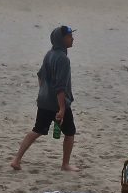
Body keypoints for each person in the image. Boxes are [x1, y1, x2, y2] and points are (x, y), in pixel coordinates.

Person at [10, 25, 79, 171]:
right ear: (61, 40)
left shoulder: (49, 54)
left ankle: (16, 159)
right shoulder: (63, 59)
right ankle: (65, 164)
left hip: (44, 102)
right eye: (69, 36)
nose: (72, 39)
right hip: (58, 104)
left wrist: (43, 92)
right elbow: (60, 87)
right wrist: (62, 109)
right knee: (70, 132)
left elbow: (40, 76)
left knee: (37, 130)